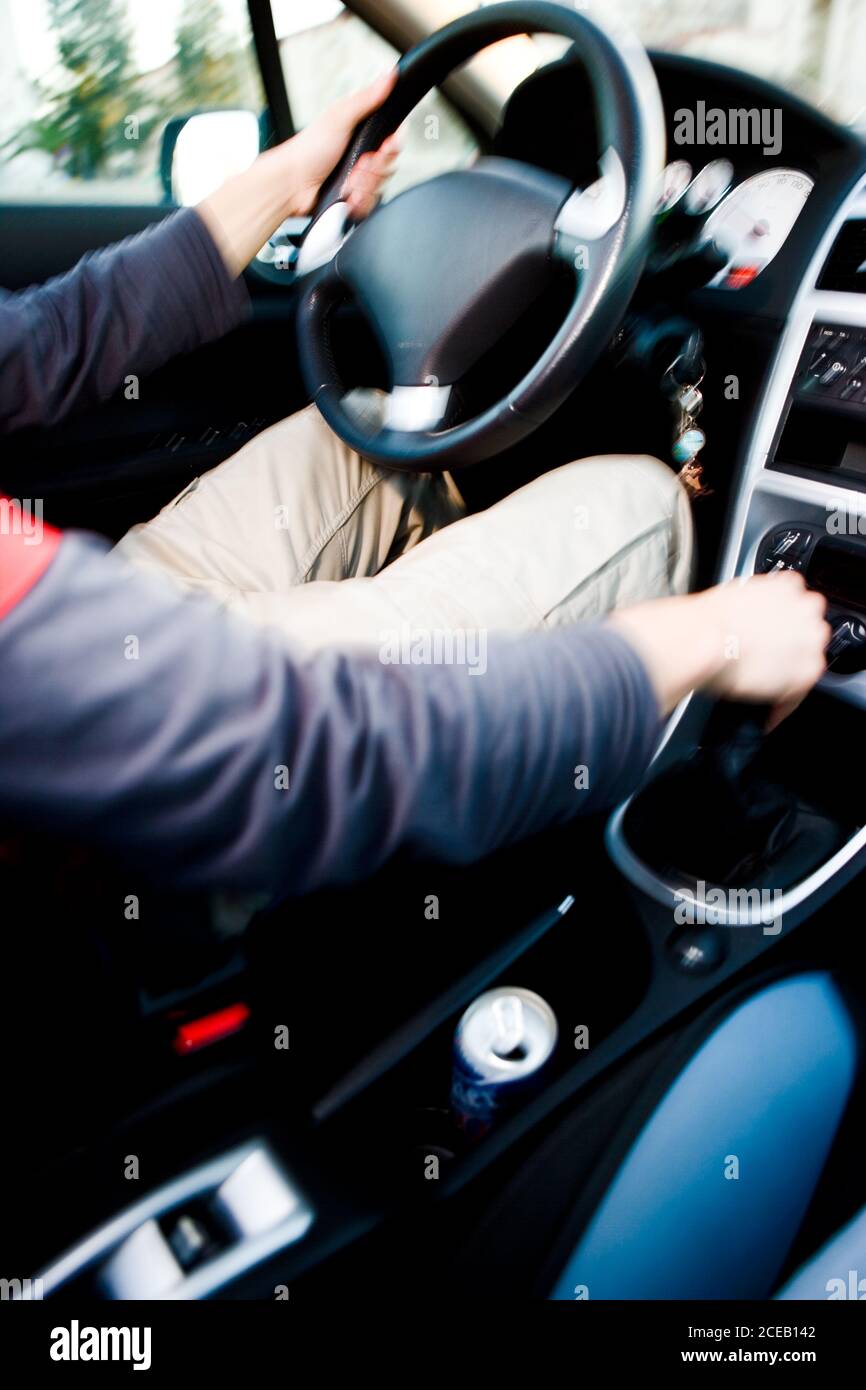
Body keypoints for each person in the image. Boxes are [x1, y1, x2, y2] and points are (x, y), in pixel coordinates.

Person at [0, 78, 830, 905]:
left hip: (90, 641)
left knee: (369, 430)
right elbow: (296, 745)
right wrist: (694, 642)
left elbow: (39, 343)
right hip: (110, 787)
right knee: (638, 500)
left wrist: (285, 182)